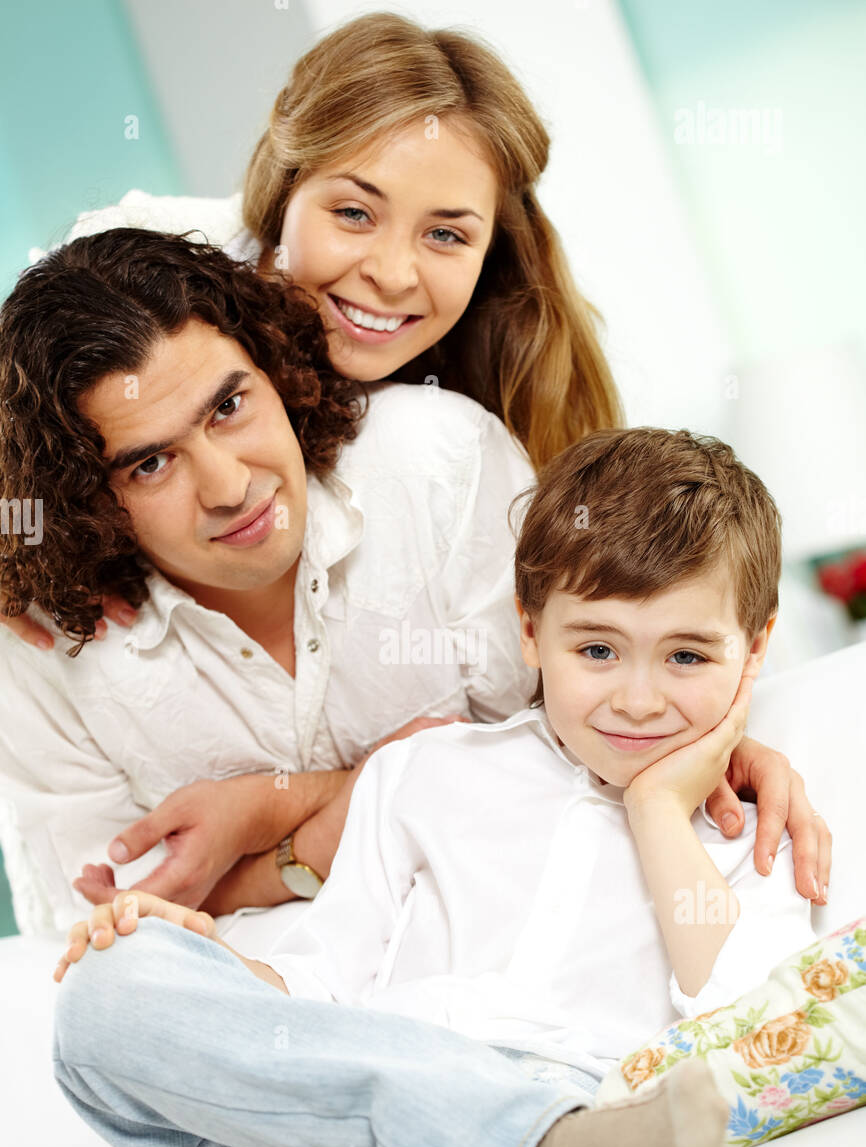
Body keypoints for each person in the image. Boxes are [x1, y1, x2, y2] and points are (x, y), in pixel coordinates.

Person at [53, 423, 818, 1147]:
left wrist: (656, 808)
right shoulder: (428, 771)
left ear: (753, 652)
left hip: (569, 1107)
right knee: (103, 992)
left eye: (686, 656)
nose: (637, 699)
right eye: (596, 650)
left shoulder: (751, 830)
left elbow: (737, 1022)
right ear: (531, 633)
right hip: (358, 1090)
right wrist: (197, 963)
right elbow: (326, 980)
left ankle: (513, 1138)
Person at [0, 231, 829, 942]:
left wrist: (277, 818)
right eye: (149, 463)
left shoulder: (437, 465)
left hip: (545, 934)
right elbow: (106, 921)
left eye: (229, 407)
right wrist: (330, 829)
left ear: (272, 368)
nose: (227, 485)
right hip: (287, 1015)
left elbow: (579, 736)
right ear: (84, 496)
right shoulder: (45, 644)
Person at [2, 9, 619, 652]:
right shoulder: (140, 270)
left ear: (490, 247)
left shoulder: (490, 386)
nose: (391, 274)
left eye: (445, 234)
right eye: (354, 213)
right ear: (284, 188)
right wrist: (26, 535)